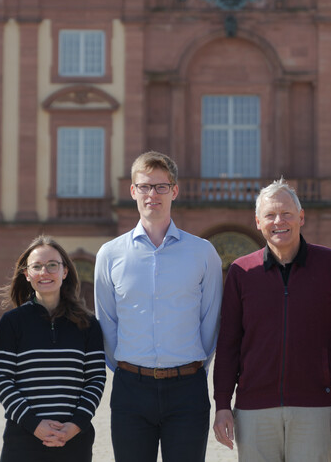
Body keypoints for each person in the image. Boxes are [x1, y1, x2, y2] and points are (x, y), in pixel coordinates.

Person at [213, 178, 331, 462]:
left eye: (286, 213)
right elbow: (228, 343)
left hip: (315, 408)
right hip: (253, 410)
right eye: (270, 215)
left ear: (301, 218)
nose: (278, 221)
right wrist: (222, 403)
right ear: (258, 222)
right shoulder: (241, 271)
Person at [93, 151, 223, 461]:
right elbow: (106, 322)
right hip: (130, 390)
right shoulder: (109, 255)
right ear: (133, 191)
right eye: (145, 186)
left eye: (162, 186)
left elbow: (211, 321)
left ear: (174, 191)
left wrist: (191, 368)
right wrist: (128, 367)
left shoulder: (203, 253)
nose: (153, 194)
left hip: (187, 390)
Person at [0, 236, 106, 461]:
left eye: (52, 265)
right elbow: (2, 379)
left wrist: (75, 425)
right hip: (23, 438)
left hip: (74, 439)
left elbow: (95, 379)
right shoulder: (12, 322)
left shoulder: (88, 324)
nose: (45, 272)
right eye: (37, 266)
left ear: (64, 271)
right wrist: (34, 424)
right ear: (27, 274)